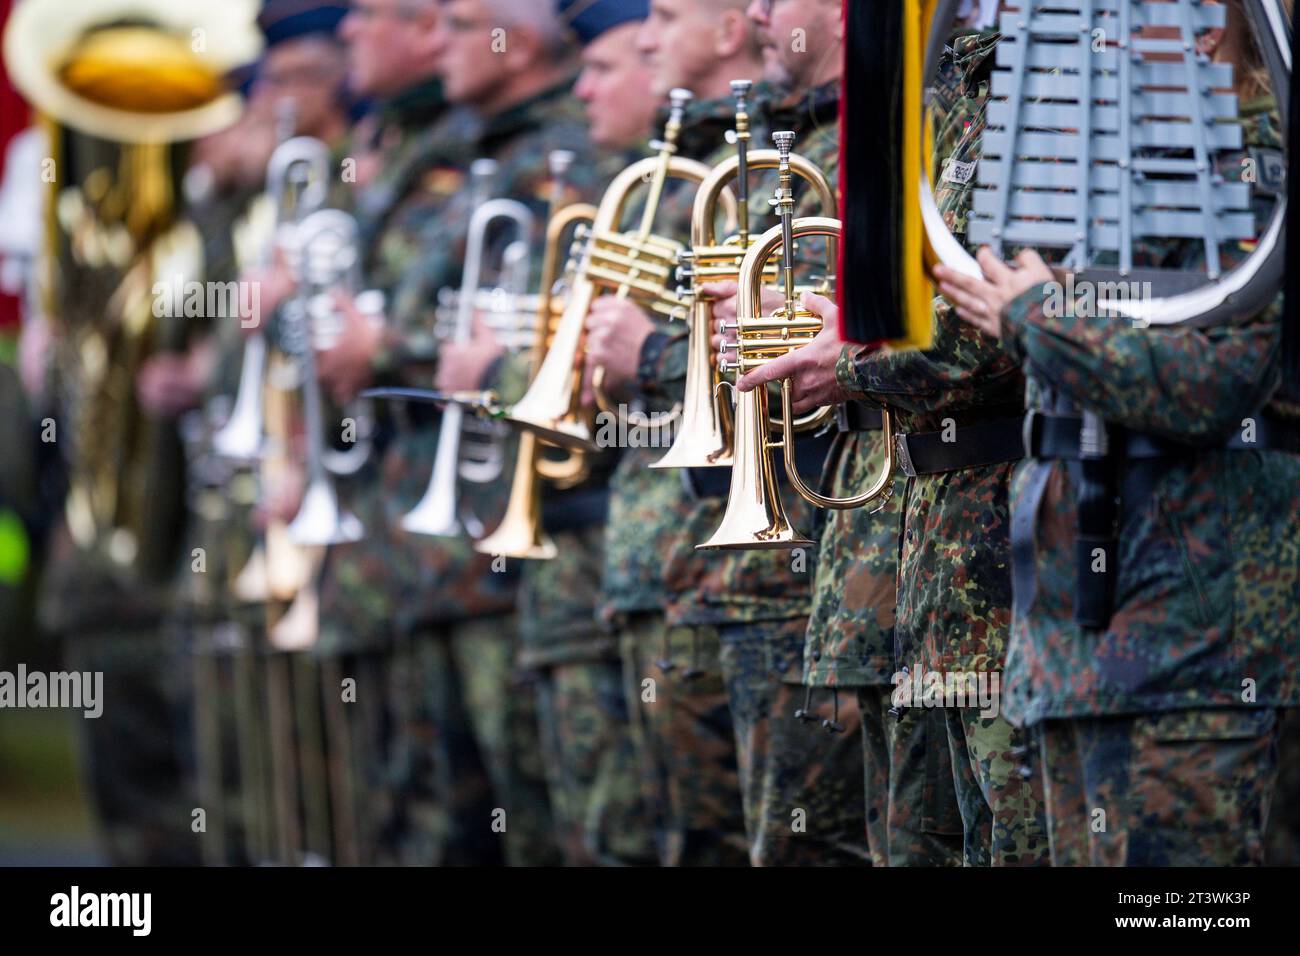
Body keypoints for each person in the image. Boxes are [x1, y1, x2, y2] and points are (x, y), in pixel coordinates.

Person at [934, 0, 1300, 865]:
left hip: (1190, 640)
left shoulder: (1255, 162)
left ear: (1206, 29)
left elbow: (1217, 383)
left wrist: (1040, 320)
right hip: (1072, 641)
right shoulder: (1100, 174)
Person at [734, 6, 1052, 865]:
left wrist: (856, 351)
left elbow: (1008, 310)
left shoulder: (1038, 66)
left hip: (1000, 556)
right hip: (918, 564)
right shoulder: (935, 77)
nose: (756, 12)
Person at [340, 0, 602, 866]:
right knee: (432, 821)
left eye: (458, 27)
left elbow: (536, 336)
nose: (437, 48)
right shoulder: (473, 150)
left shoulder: (563, 158)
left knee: (522, 820)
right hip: (432, 549)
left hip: (502, 554)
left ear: (515, 44)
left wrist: (385, 347)